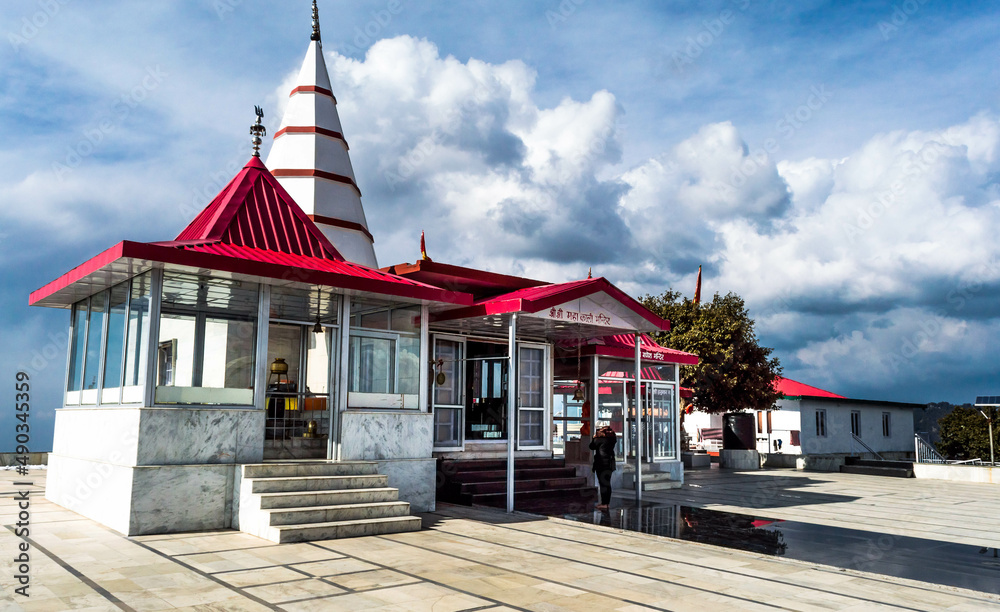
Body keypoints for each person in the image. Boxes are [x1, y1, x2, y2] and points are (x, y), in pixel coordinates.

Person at [589, 425, 617, 510]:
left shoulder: (598, 440)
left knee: (603, 484)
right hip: (610, 464)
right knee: (607, 483)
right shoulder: (612, 439)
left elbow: (591, 446)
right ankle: (607, 503)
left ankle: (604, 503)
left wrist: (593, 438)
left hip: (601, 464)